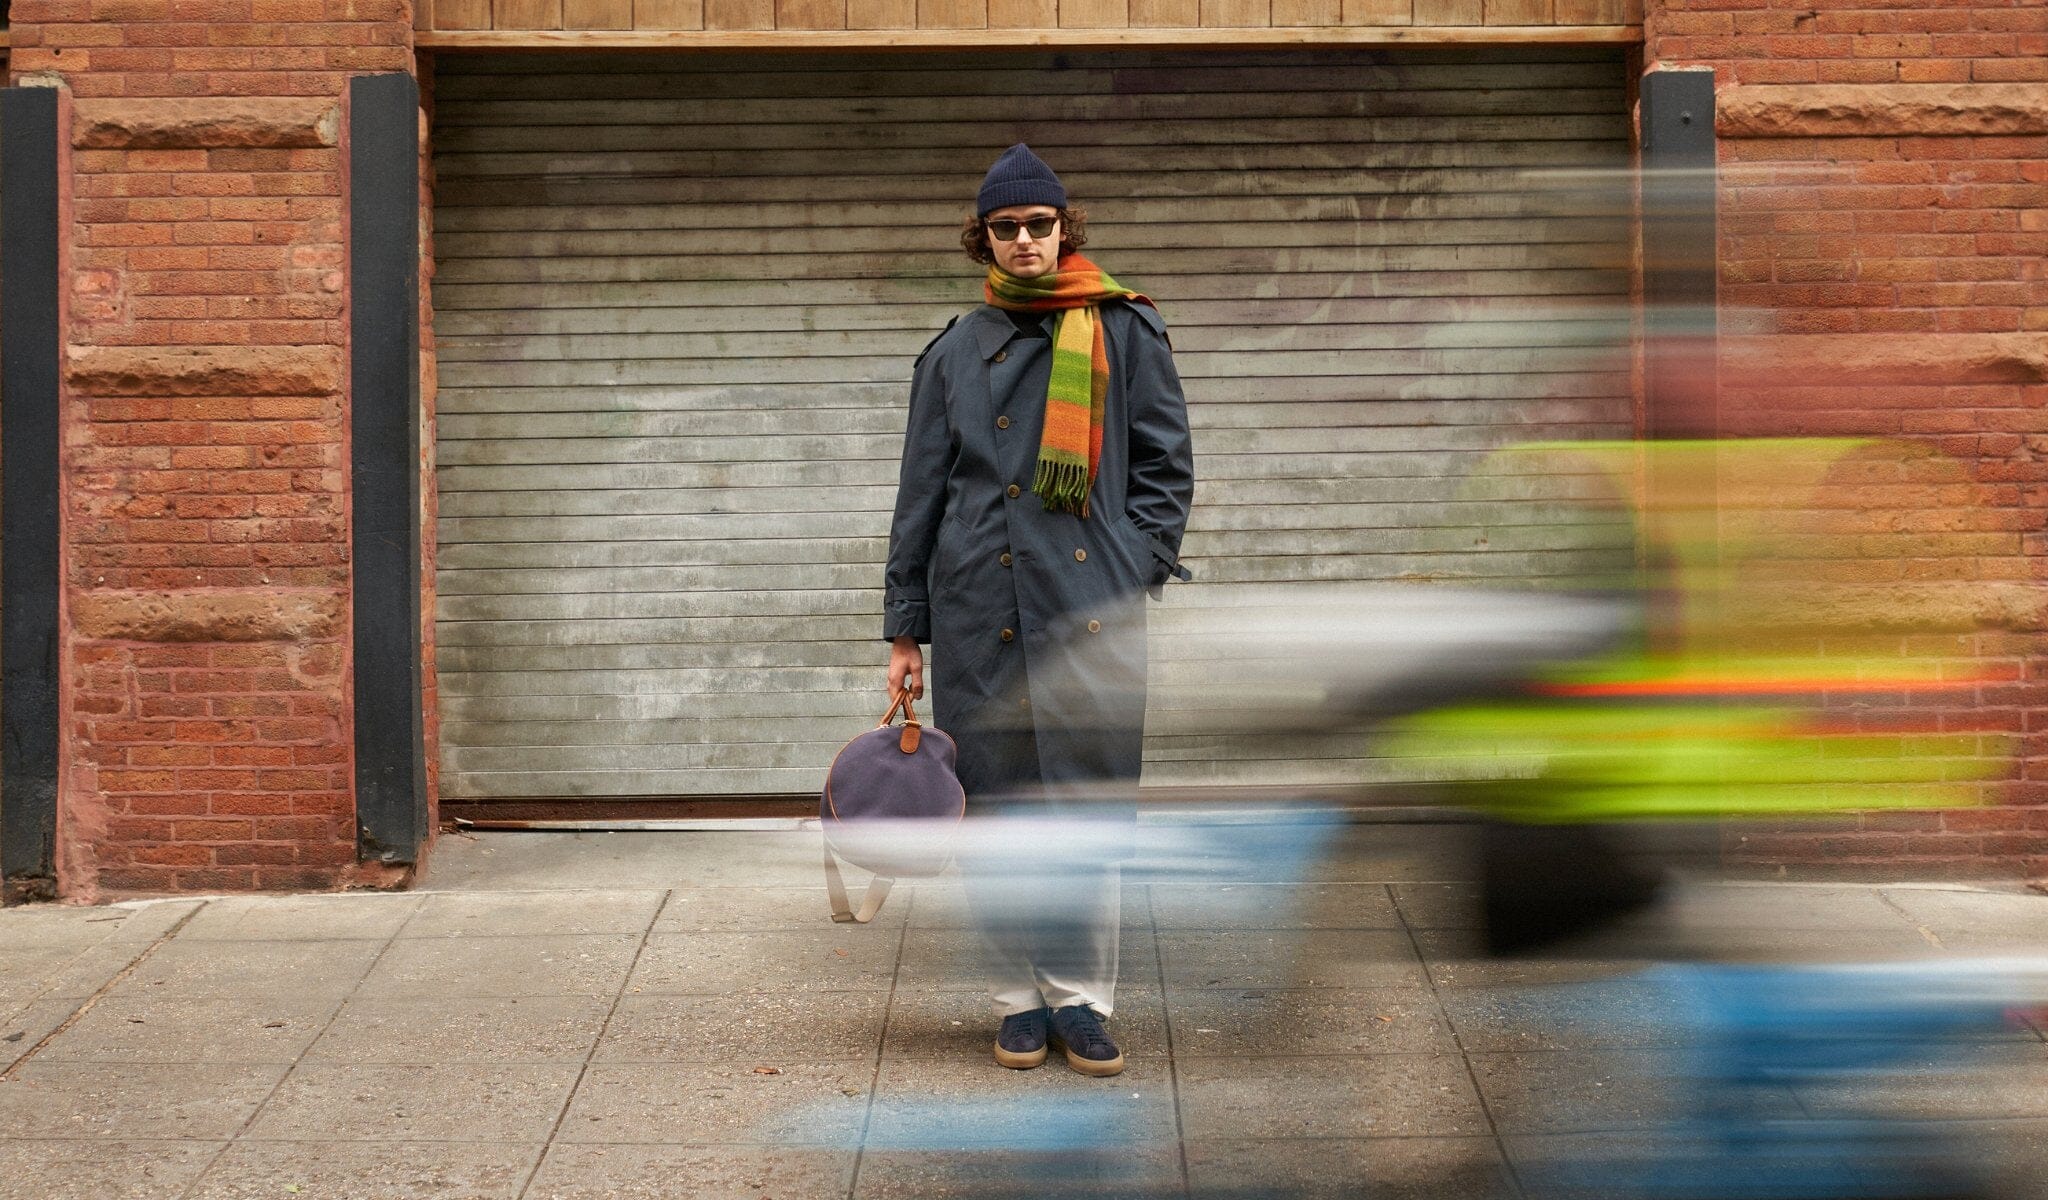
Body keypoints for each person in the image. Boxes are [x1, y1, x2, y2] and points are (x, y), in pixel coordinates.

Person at [882, 144, 1195, 1077]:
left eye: (1039, 224)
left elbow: (1166, 467)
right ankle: (1016, 1001)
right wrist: (905, 627)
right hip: (979, 602)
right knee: (995, 807)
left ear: (1065, 228)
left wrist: (1129, 568)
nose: (1025, 240)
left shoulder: (1125, 329)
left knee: (1082, 805)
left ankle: (1081, 1000)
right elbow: (920, 494)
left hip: (1087, 607)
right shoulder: (953, 351)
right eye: (1006, 227)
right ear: (983, 238)